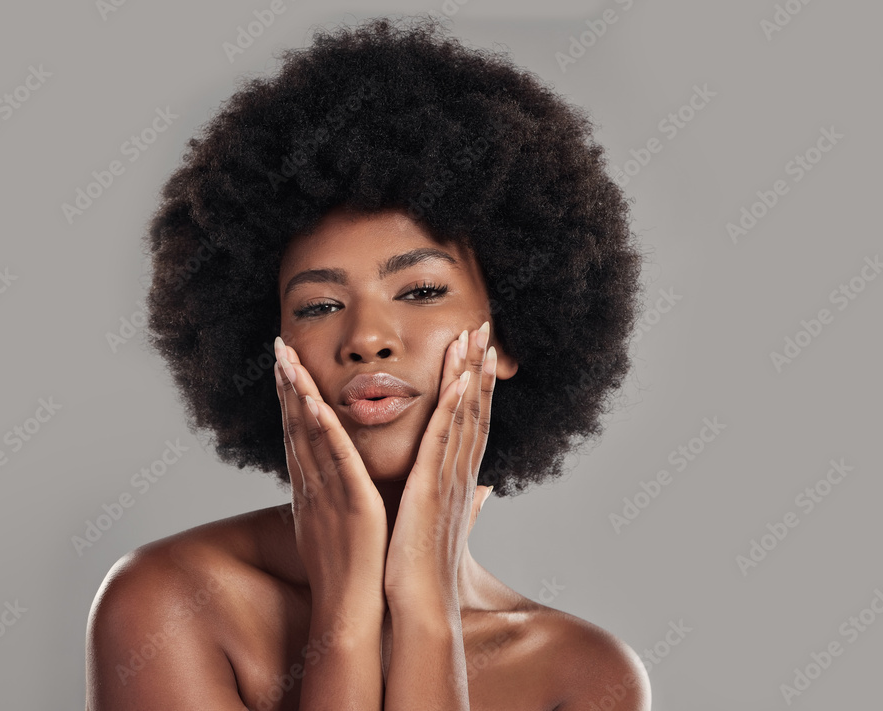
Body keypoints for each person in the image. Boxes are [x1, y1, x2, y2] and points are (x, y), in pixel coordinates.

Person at [86, 16, 649, 710]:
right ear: (272, 351)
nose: (366, 339)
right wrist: (346, 613)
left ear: (507, 336)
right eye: (319, 305)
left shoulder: (583, 675)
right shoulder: (170, 603)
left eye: (421, 291)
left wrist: (425, 603)